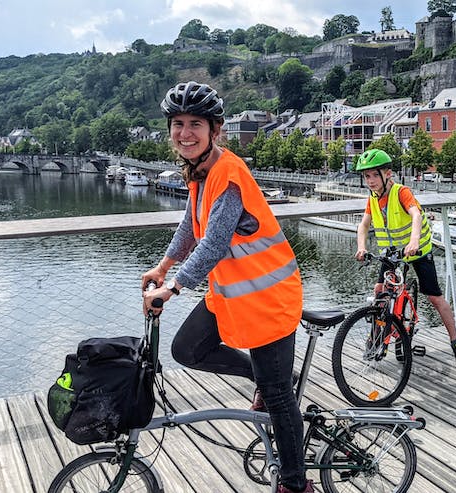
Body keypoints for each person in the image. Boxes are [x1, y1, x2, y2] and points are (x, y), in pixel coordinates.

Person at [140, 81, 313, 493]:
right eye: (178, 124)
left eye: (195, 124)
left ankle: (295, 484)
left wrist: (174, 287)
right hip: (233, 293)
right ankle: (266, 379)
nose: (185, 133)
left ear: (215, 130)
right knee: (188, 349)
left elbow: (214, 243)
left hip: (268, 298)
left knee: (279, 398)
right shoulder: (200, 172)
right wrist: (163, 266)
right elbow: (190, 225)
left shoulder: (229, 175)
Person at [353, 149, 456, 372]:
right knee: (379, 291)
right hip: (393, 252)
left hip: (418, 250)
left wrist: (414, 240)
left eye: (375, 175)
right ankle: (376, 336)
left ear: (388, 174)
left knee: (434, 297)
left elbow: (415, 214)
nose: (370, 181)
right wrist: (361, 247)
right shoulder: (373, 198)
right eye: (366, 176)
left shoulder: (401, 192)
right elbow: (364, 225)